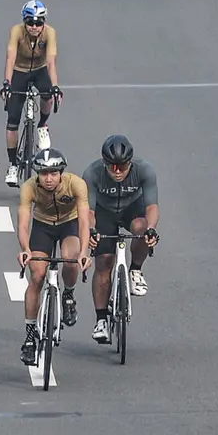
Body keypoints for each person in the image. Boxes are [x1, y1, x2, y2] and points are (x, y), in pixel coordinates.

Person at [17, 147, 90, 365]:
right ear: (37, 174)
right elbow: (23, 224)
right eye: (44, 174)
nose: (49, 179)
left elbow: (84, 222)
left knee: (70, 258)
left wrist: (84, 252)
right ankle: (30, 337)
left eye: (53, 173)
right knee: (37, 276)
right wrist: (25, 249)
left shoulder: (76, 184)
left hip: (69, 224)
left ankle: (68, 295)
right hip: (43, 227)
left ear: (61, 173)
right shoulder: (29, 187)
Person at [84, 134, 159, 344]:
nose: (117, 171)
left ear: (130, 162)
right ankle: (101, 320)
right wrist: (90, 230)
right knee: (103, 262)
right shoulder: (92, 173)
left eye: (122, 166)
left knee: (141, 228)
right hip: (104, 213)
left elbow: (152, 207)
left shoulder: (144, 170)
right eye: (112, 166)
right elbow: (88, 211)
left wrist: (151, 229)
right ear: (104, 163)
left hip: (132, 209)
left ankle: (135, 270)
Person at [1, 0, 62, 187]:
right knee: (12, 122)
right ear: (24, 21)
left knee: (48, 95)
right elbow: (10, 58)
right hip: (19, 71)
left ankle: (42, 125)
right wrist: (7, 83)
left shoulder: (50, 33)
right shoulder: (16, 31)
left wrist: (55, 86)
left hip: (40, 70)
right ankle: (13, 165)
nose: (34, 27)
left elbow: (51, 62)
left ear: (44, 22)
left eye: (38, 23)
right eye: (30, 22)